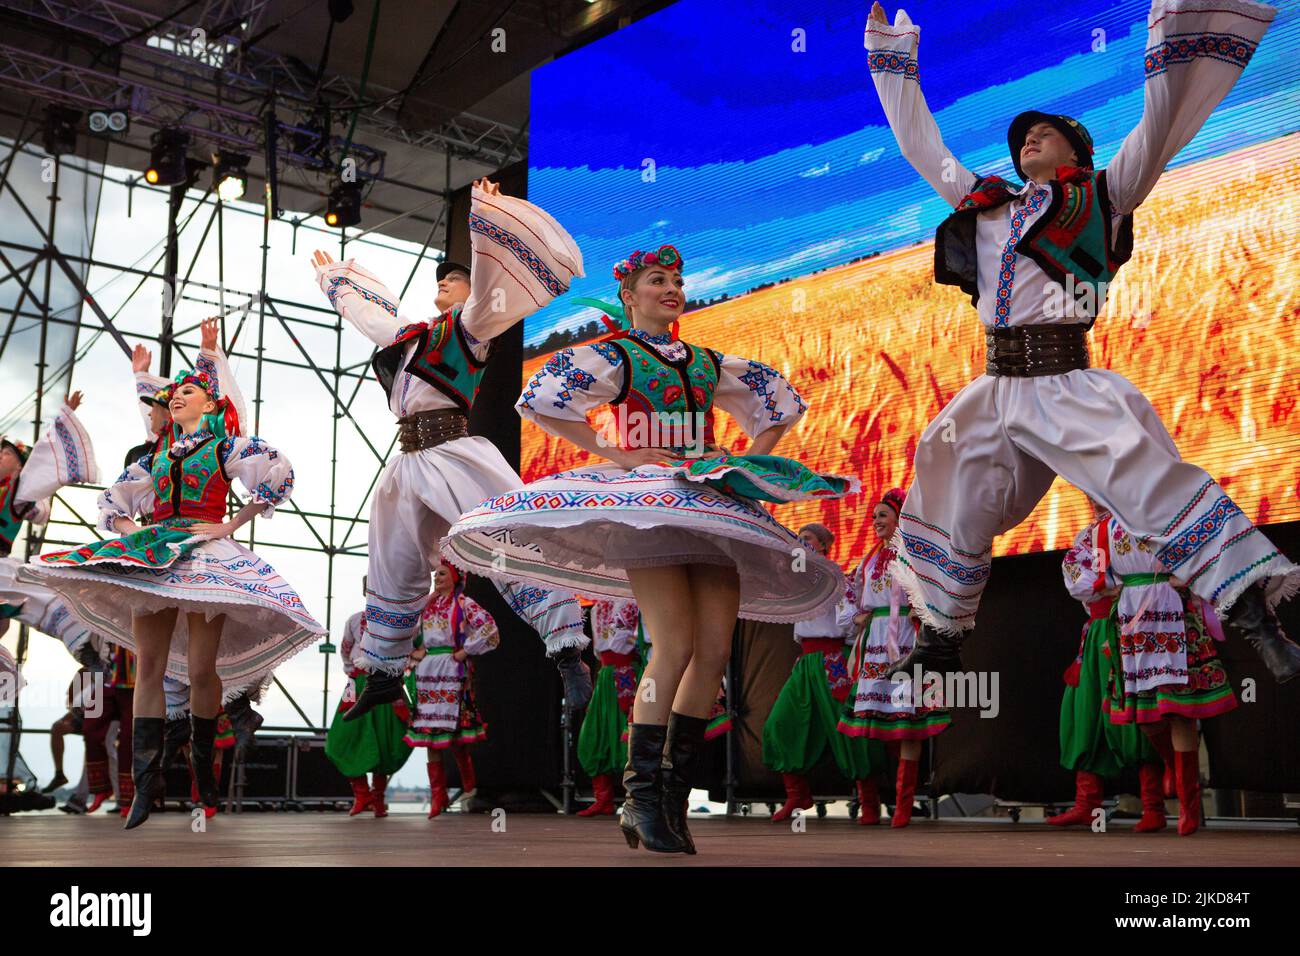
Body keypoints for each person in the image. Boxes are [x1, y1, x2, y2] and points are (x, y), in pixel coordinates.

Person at [860, 1, 1298, 684]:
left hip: (1065, 384)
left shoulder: (1105, 194)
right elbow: (924, 148)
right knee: (947, 484)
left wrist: (1172, 31)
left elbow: (1158, 131)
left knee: (1155, 490)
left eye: (1045, 133)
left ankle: (1259, 623)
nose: (1029, 138)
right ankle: (943, 636)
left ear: (1078, 152)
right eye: (1023, 135)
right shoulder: (985, 204)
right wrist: (893, 60)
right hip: (995, 389)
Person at [441, 243, 857, 854]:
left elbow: (777, 398)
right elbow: (544, 400)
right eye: (657, 281)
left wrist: (747, 458)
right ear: (629, 297)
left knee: (714, 653)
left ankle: (671, 796)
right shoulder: (617, 356)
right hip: (650, 508)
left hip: (709, 502)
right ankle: (638, 796)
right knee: (676, 643)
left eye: (677, 280)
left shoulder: (709, 362)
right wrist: (619, 454)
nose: (672, 288)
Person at [21, 317, 324, 829]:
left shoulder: (225, 447)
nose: (175, 398)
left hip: (206, 555)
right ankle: (146, 781)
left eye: (186, 391)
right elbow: (115, 498)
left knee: (204, 670)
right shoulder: (156, 453)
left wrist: (231, 522)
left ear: (209, 404)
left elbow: (279, 471)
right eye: (173, 393)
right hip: (157, 551)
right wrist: (123, 527)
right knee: (149, 666)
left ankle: (204, 774)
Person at [309, 179, 592, 722]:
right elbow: (371, 318)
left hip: (455, 454)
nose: (446, 283)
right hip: (408, 462)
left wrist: (483, 219)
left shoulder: (472, 326)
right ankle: (387, 674)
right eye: (441, 279)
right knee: (392, 562)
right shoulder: (412, 335)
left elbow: (493, 286)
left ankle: (569, 658)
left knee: (512, 544)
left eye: (455, 279)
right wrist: (335, 282)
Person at [836, 489, 949, 827]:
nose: (876, 521)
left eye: (882, 514)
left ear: (900, 518)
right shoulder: (868, 560)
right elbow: (851, 594)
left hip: (905, 638)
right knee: (865, 724)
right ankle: (869, 803)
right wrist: (857, 616)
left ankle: (903, 804)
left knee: (907, 723)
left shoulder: (914, 555)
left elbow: (935, 591)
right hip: (875, 640)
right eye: (873, 516)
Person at [763, 523, 880, 825]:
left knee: (847, 726)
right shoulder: (797, 582)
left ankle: (869, 800)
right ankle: (797, 794)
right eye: (799, 539)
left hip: (832, 660)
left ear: (825, 545)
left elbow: (849, 621)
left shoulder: (836, 577)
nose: (802, 543)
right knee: (780, 722)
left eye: (808, 539)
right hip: (806, 661)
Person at [405, 560, 500, 819]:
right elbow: (409, 632)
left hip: (452, 669)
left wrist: (465, 650)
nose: (438, 579)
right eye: (436, 575)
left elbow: (489, 628)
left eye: (443, 574)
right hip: (427, 672)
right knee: (429, 735)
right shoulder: (427, 606)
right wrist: (415, 651)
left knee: (456, 735)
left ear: (455, 577)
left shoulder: (463, 603)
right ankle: (439, 796)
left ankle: (468, 786)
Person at [325, 610, 414, 817]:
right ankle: (362, 794)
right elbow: (345, 648)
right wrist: (353, 673)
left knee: (387, 739)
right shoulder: (354, 619)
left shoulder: (395, 618)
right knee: (343, 736)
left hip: (387, 681)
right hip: (359, 681)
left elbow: (407, 645)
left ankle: (377, 798)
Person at [576, 598, 645, 817]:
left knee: (631, 737)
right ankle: (603, 799)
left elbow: (623, 639)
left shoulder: (628, 600)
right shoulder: (598, 605)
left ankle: (639, 800)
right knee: (594, 737)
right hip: (606, 674)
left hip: (626, 673)